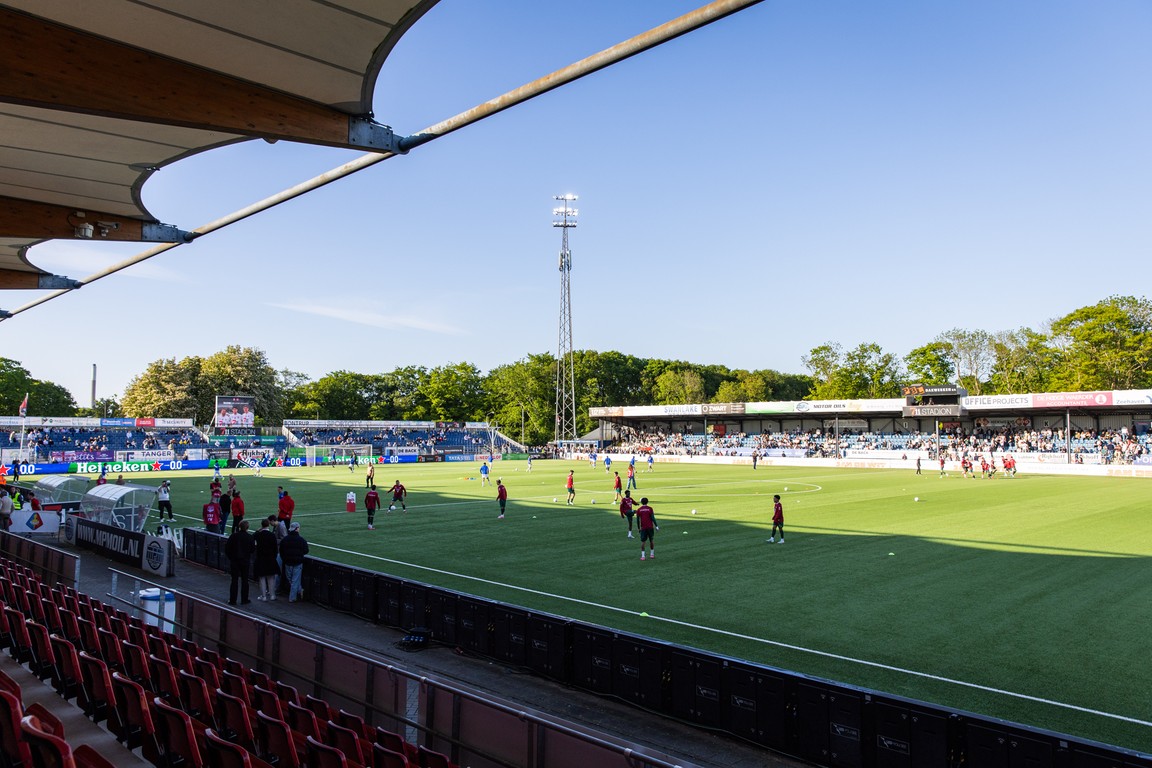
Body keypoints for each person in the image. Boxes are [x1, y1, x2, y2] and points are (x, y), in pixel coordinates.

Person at [225, 519, 255, 605]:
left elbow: (227, 548)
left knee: (234, 580)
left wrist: (231, 558)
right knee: (245, 580)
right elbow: (252, 549)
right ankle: (244, 599)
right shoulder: (250, 537)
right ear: (247, 528)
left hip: (235, 561)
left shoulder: (234, 536)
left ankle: (233, 600)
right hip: (245, 561)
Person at [279, 522, 309, 602]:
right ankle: (294, 595)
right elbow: (306, 550)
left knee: (291, 579)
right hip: (297, 562)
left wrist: (285, 559)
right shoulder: (301, 540)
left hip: (288, 562)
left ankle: (295, 594)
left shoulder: (285, 539)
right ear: (297, 529)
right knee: (295, 580)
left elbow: (281, 551)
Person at [253, 518, 279, 601]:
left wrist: (258, 530)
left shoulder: (258, 535)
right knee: (271, 577)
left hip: (261, 558)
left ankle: (263, 596)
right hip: (270, 558)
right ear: (268, 525)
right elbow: (275, 548)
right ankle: (272, 595)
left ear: (262, 525)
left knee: (262, 578)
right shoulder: (272, 535)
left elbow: (252, 537)